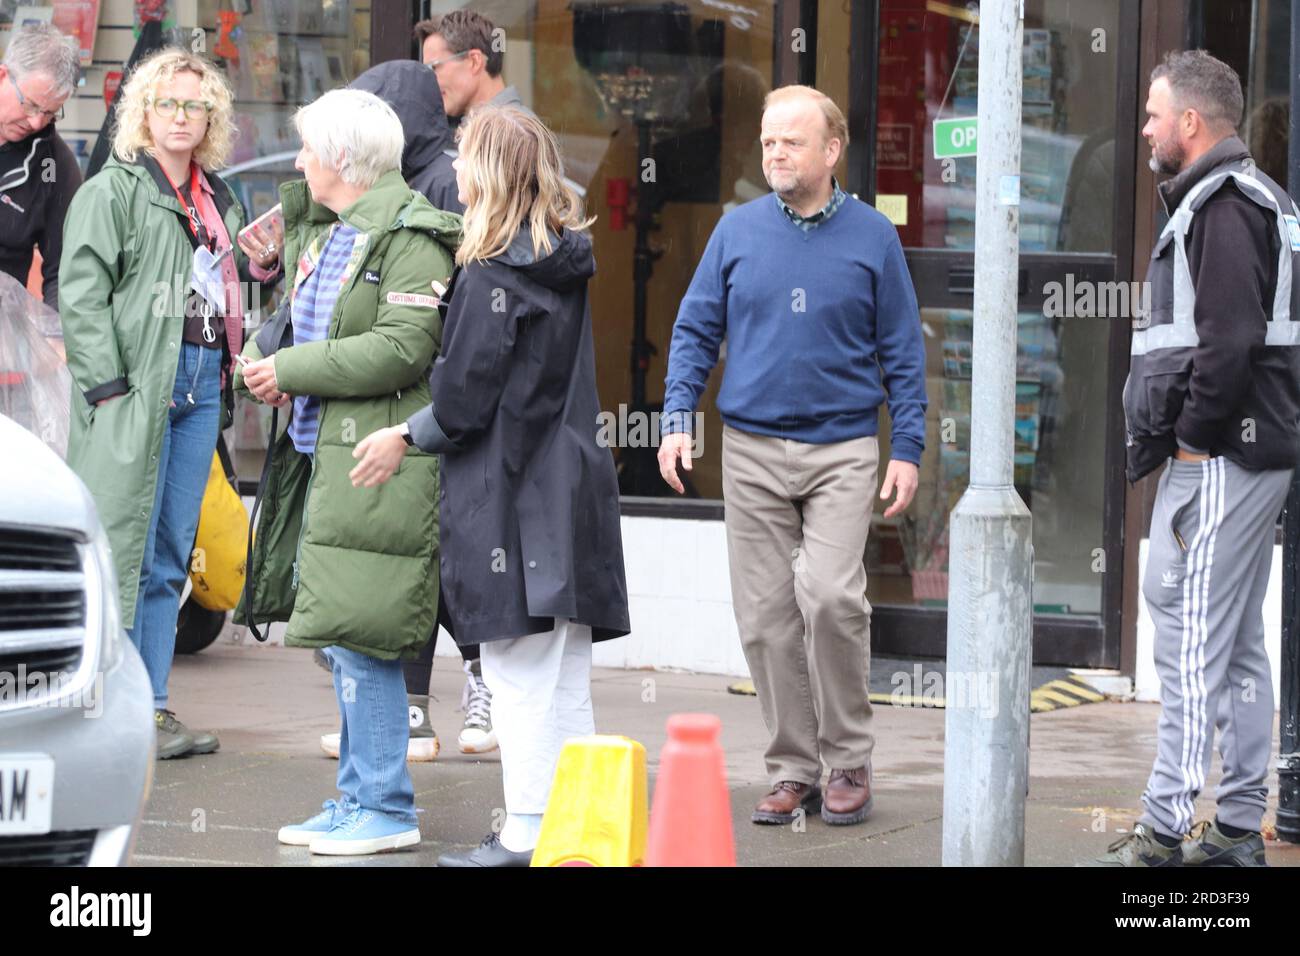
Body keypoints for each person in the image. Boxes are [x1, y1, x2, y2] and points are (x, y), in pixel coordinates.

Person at [350, 104, 630, 867]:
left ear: (491, 172)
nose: (457, 173)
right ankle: (574, 833)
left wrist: (403, 434)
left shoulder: (491, 271)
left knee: (516, 676)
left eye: (467, 158)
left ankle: (528, 831)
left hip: (511, 497)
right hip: (568, 490)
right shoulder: (562, 260)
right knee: (563, 677)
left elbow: (465, 401)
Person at [657, 85, 927, 827]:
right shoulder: (736, 232)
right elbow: (693, 330)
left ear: (831, 151)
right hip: (749, 449)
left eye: (791, 142)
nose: (774, 152)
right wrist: (677, 416)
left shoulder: (873, 237)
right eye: (769, 141)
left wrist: (907, 447)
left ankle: (848, 758)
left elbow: (904, 353)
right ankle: (793, 769)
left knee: (833, 598)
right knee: (766, 619)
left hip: (842, 448)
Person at [237, 88, 458, 856]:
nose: (297, 162)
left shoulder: (411, 235)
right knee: (341, 636)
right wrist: (269, 352)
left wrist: (289, 367)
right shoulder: (336, 228)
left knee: (363, 637)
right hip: (326, 458)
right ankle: (357, 796)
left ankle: (386, 809)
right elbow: (313, 322)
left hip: (375, 463)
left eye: (306, 150)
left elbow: (403, 348)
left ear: (341, 160)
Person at [1095, 50, 1300, 867]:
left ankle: (1163, 829)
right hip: (1244, 456)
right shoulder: (1260, 199)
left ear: (1190, 122)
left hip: (1219, 458)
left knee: (1184, 635)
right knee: (1239, 643)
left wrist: (1188, 442)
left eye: (1152, 114)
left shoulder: (1220, 204)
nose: (1144, 128)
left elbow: (1228, 346)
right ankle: (1239, 830)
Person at [60, 48, 259, 759]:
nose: (182, 116)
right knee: (122, 549)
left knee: (173, 554)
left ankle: (152, 708)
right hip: (137, 388)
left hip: (203, 379)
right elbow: (79, 295)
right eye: (168, 103)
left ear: (212, 118)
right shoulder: (111, 192)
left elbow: (230, 285)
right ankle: (100, 710)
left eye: (195, 105)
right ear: (143, 112)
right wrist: (108, 388)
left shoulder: (218, 197)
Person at [323, 60, 496, 761]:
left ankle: (440, 697)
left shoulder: (433, 187)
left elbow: (434, 310)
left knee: (419, 555)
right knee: (415, 557)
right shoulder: (418, 180)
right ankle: (424, 704)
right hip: (421, 396)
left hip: (421, 397)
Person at [1, 23, 81, 309]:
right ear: (2, 76)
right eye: (31, 105)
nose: (36, 123)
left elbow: (65, 272)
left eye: (49, 113)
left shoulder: (55, 166)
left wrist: (54, 334)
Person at [415, 10, 532, 122]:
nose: (428, 80)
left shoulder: (514, 132)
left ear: (475, 62)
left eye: (434, 67)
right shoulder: (500, 128)